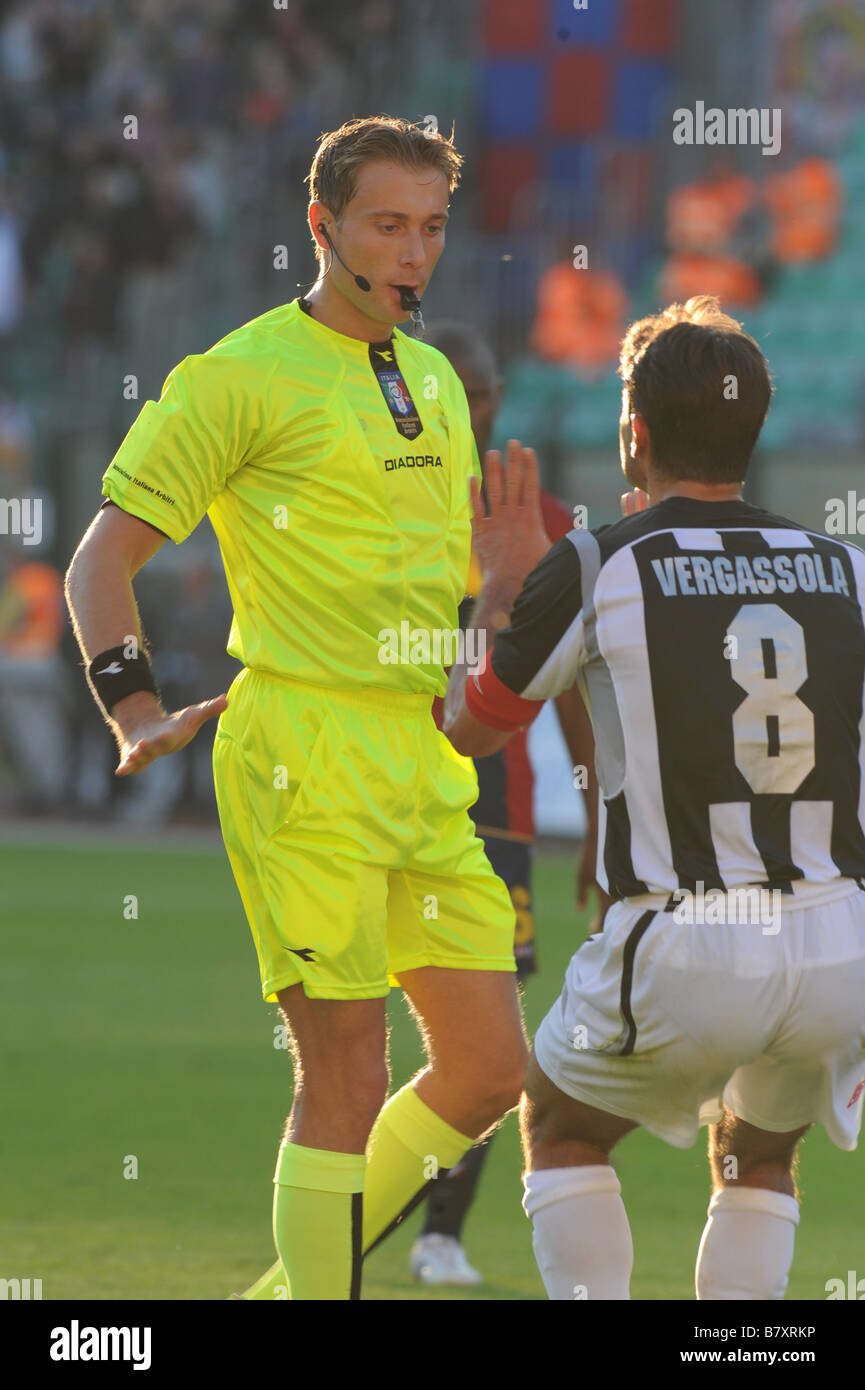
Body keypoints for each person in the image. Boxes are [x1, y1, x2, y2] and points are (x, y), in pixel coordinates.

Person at [64, 116, 536, 1302]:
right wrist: (133, 708)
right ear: (320, 228)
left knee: (486, 1068)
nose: (415, 251)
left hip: (414, 750)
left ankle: (287, 1291)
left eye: (431, 226)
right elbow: (97, 562)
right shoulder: (236, 375)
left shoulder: (433, 377)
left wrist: (508, 585)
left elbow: (445, 598)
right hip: (298, 750)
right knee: (344, 1080)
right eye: (388, 224)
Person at [443, 293, 865, 1300]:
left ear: (632, 431)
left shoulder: (593, 561)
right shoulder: (846, 570)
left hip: (685, 936)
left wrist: (499, 596)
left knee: (562, 1123)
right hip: (838, 941)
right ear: (753, 428)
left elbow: (472, 730)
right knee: (756, 1155)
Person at [408, 320, 609, 1286]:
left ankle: (439, 1231)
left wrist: (601, 814)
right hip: (378, 792)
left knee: (490, 1027)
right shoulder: (382, 501)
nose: (472, 403)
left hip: (495, 812)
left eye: (481, 387)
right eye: (452, 384)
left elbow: (575, 685)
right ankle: (349, 1217)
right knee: (361, 1015)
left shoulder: (544, 520)